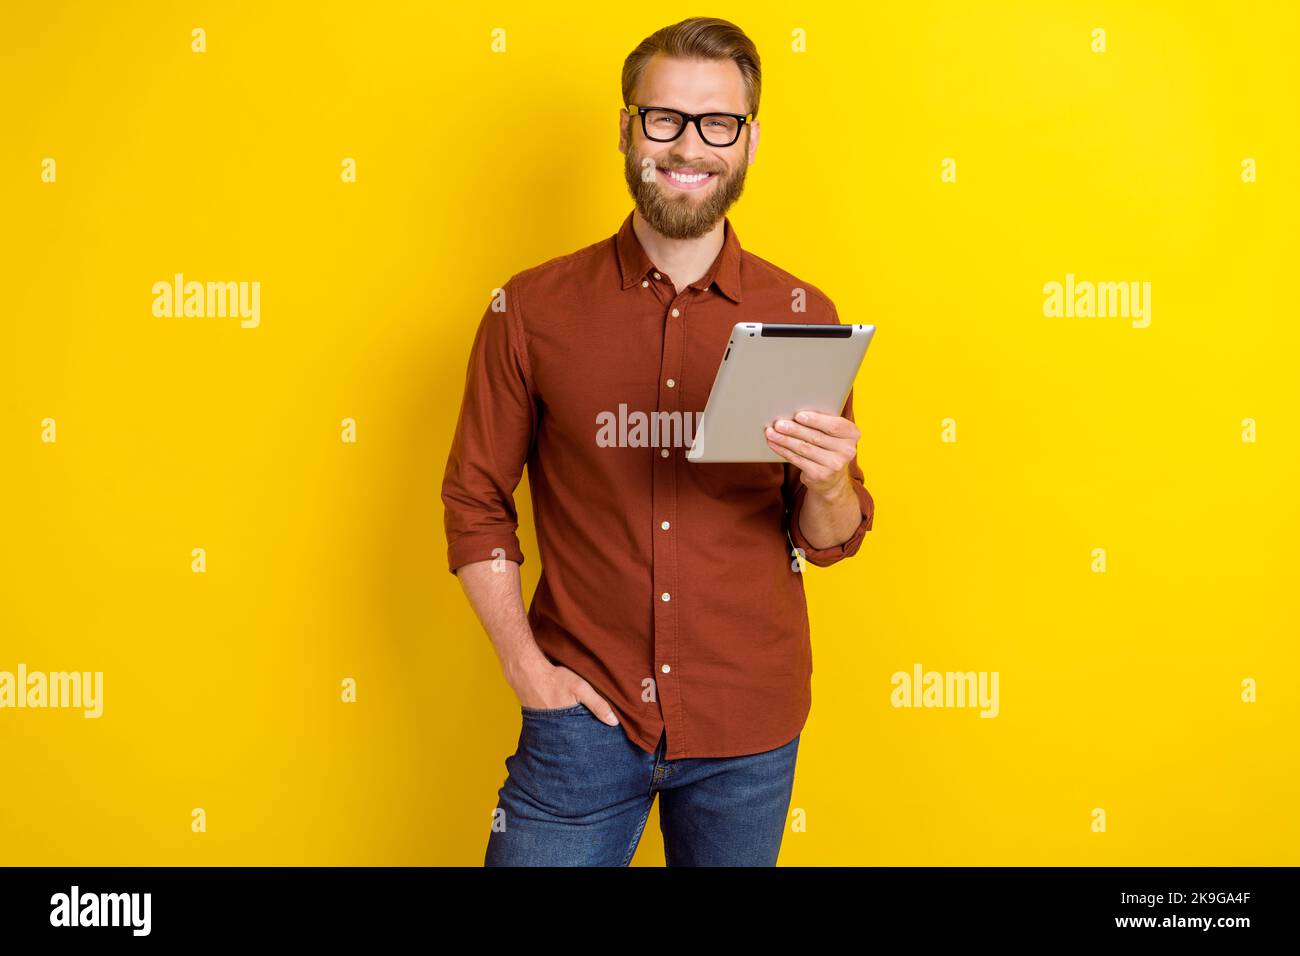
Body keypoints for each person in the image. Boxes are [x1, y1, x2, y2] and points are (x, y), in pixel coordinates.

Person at [442, 16, 875, 866]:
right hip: (580, 724)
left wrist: (829, 485)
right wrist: (528, 672)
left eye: (718, 123)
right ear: (627, 128)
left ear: (748, 140)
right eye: (664, 118)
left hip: (747, 731)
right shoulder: (528, 310)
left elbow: (826, 538)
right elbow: (474, 500)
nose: (690, 146)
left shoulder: (802, 318)